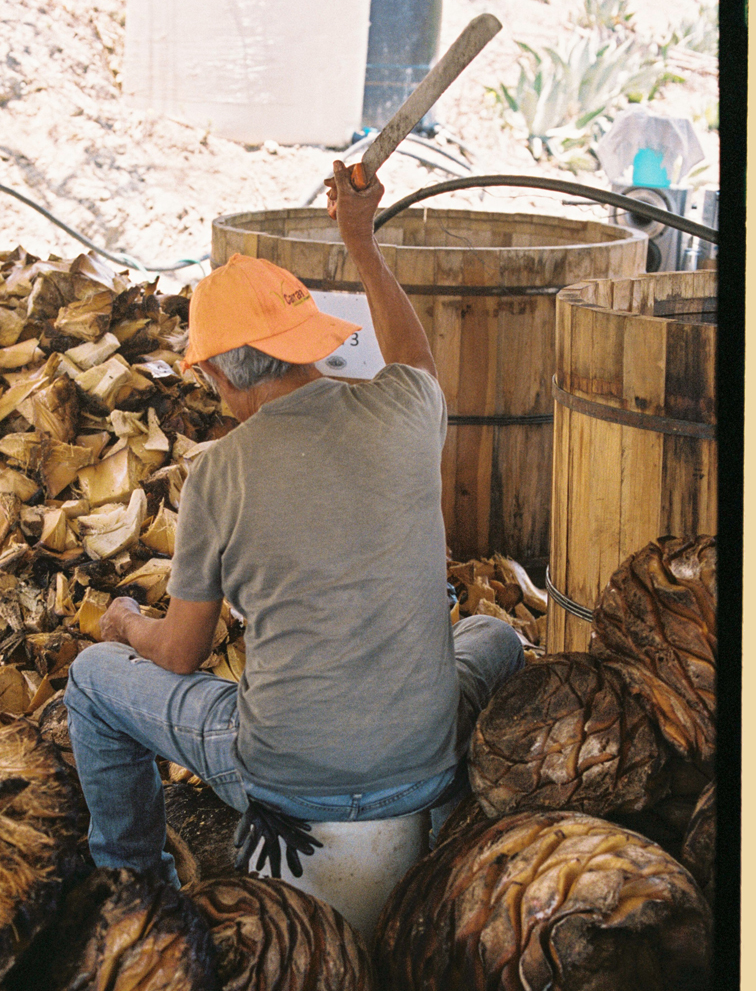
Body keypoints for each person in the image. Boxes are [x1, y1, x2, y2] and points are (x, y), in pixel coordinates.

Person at [64, 160, 525, 887]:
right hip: (422, 768)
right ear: (311, 339)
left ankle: (133, 885)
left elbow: (181, 654)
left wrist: (124, 624)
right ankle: (471, 811)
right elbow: (415, 357)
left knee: (93, 681)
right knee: (495, 637)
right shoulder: (403, 411)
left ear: (216, 373)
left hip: (284, 780)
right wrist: (361, 241)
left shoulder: (217, 473)